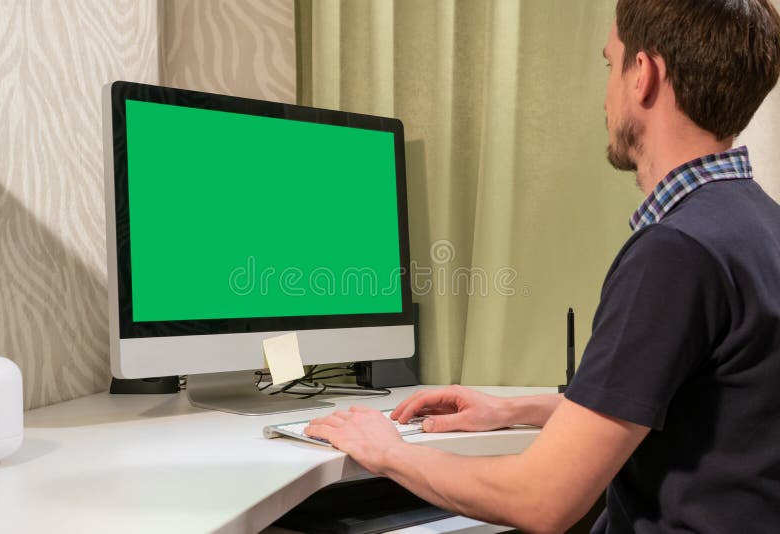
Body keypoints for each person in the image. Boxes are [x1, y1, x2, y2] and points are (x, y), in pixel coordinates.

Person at [305, 1, 780, 532]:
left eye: (610, 64)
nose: (605, 95)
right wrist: (511, 411)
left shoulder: (677, 252)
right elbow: (688, 414)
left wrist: (388, 451)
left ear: (643, 76)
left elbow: (540, 500)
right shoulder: (758, 225)